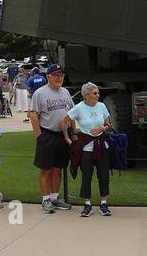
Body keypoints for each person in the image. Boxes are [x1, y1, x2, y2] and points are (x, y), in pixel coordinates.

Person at [63, 81, 112, 217]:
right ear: (86, 95)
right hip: (86, 148)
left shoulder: (102, 106)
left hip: (102, 146)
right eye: (95, 93)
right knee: (86, 176)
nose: (98, 95)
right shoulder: (78, 108)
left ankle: (103, 203)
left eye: (98, 93)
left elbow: (109, 122)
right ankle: (87, 204)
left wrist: (104, 128)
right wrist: (68, 137)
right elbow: (64, 120)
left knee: (103, 176)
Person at [29, 64, 73, 214]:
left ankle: (55, 198)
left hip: (62, 135)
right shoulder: (40, 93)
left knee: (58, 168)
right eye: (56, 75)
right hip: (47, 134)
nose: (59, 78)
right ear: (48, 77)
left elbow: (71, 114)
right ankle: (46, 199)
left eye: (61, 75)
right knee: (46, 169)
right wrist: (39, 135)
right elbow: (34, 114)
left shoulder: (65, 92)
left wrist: (73, 133)